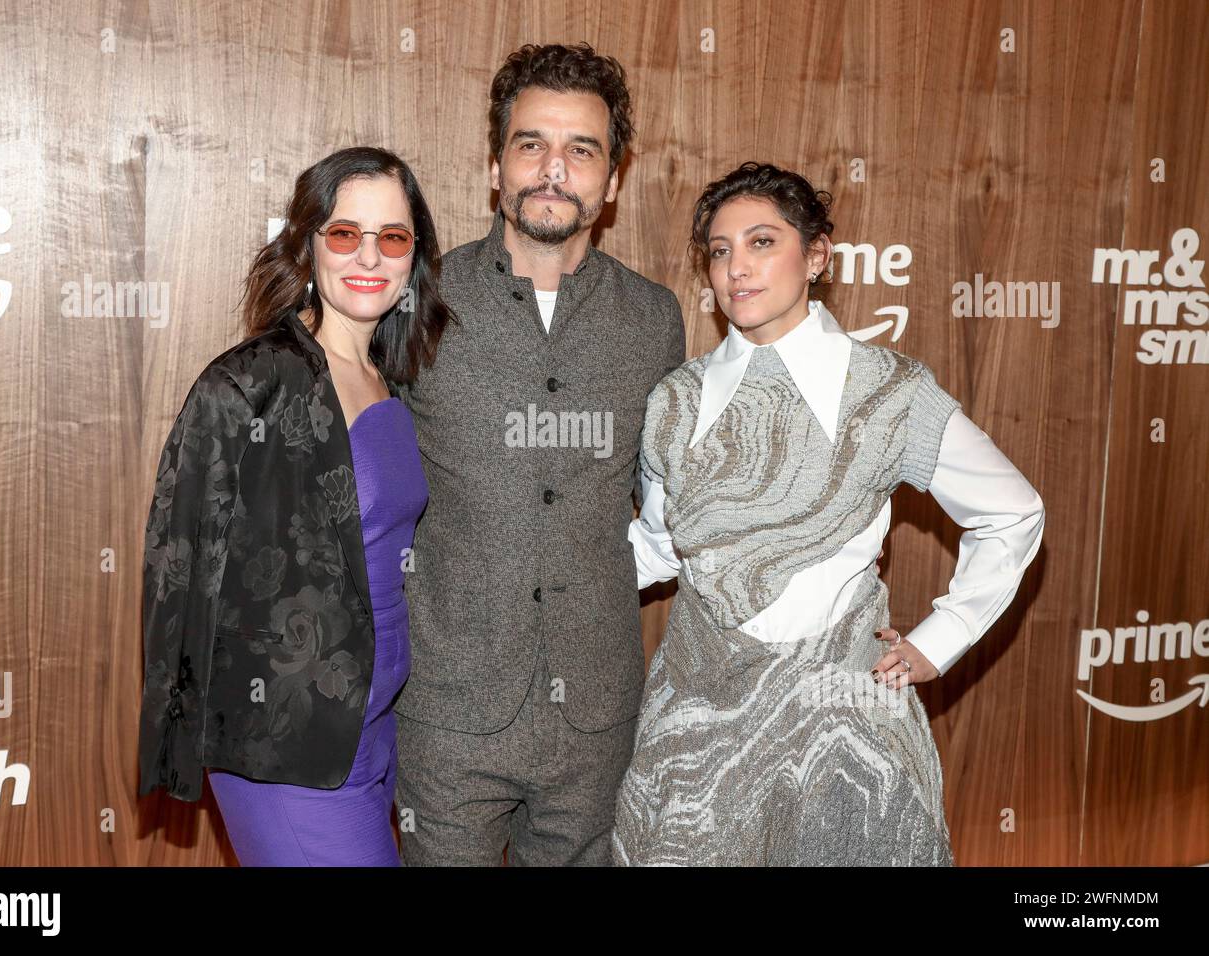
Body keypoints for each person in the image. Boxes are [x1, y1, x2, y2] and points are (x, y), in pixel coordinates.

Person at [611, 162, 1046, 866]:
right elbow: (661, 548)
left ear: (816, 257)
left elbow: (1013, 512)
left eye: (761, 242)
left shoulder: (890, 393)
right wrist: (544, 581)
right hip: (695, 727)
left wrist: (943, 637)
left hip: (843, 723)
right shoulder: (676, 400)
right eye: (720, 251)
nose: (737, 269)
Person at [390, 43, 686, 865]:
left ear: (613, 179)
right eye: (531, 145)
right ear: (496, 164)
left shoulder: (655, 319)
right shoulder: (418, 304)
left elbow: (664, 498)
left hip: (597, 716)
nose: (554, 170)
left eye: (581, 150)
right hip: (447, 710)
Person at [137, 146, 453, 865]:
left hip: (375, 735)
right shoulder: (250, 385)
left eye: (393, 237)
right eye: (344, 233)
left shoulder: (389, 379)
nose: (368, 255)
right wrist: (178, 735)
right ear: (308, 244)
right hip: (285, 748)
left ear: (414, 258)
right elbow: (177, 566)